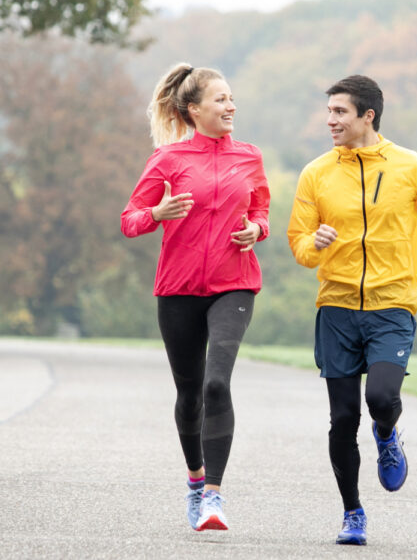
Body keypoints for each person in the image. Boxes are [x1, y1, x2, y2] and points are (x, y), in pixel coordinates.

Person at [287, 75, 417, 545]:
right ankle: (352, 513)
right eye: (328, 112)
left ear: (369, 115)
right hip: (337, 308)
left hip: (392, 306)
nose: (330, 121)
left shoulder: (412, 167)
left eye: (340, 112)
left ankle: (388, 433)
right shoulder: (316, 173)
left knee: (381, 399)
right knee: (342, 419)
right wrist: (314, 243)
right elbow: (298, 244)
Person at [121, 64, 270, 532]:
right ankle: (195, 479)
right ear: (194, 109)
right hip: (178, 289)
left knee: (215, 384)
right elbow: (130, 220)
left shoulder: (249, 156)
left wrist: (256, 229)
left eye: (231, 98)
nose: (231, 106)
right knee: (189, 393)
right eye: (221, 99)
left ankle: (214, 498)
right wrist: (156, 212)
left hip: (235, 283)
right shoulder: (167, 160)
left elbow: (261, 209)